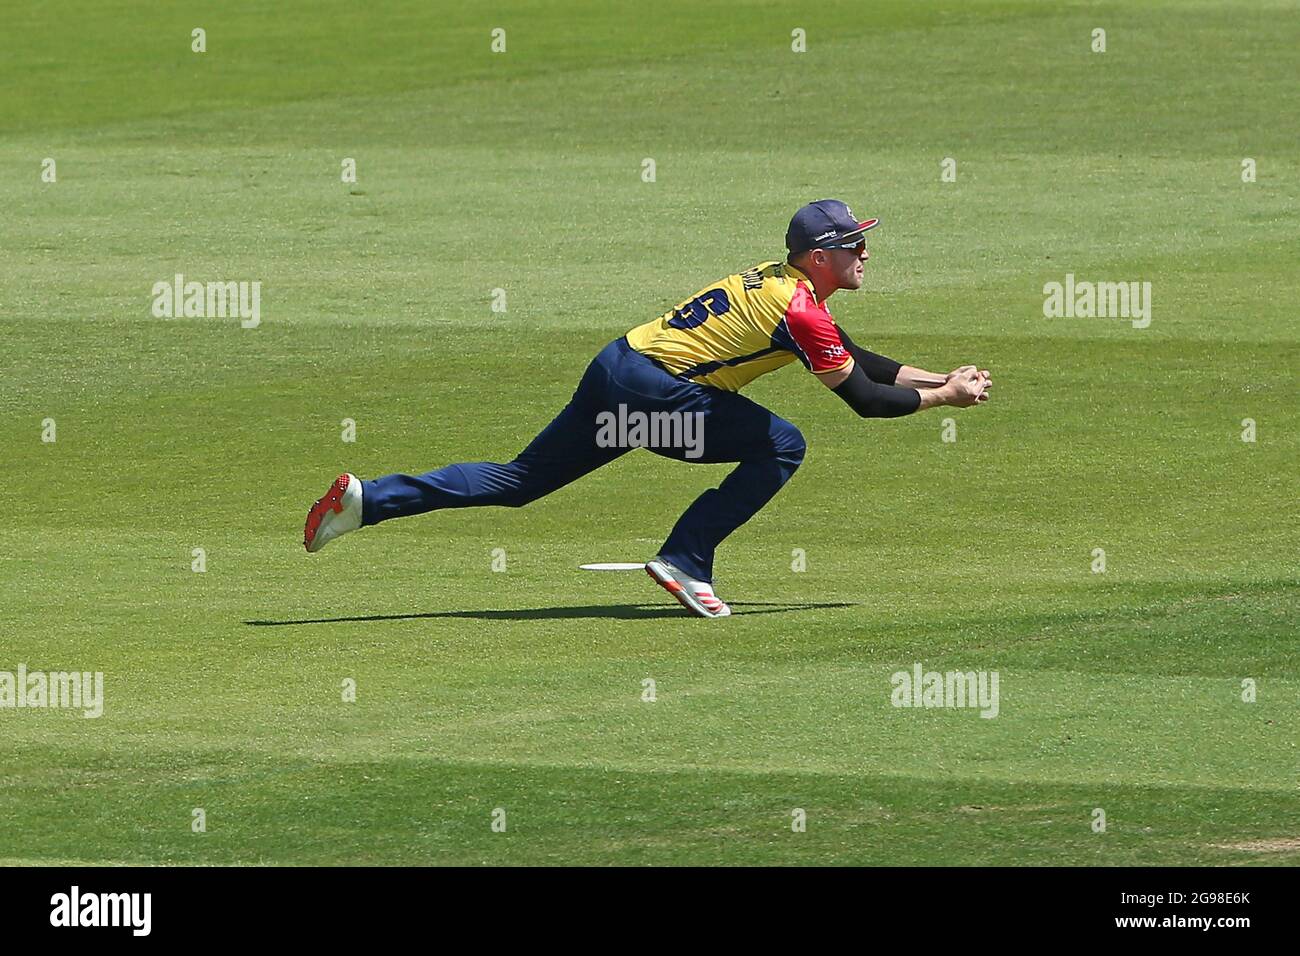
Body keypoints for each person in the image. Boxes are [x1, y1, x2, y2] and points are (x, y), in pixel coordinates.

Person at [303, 199, 991, 618]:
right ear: (818, 258)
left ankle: (367, 500)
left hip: (616, 367)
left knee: (521, 483)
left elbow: (853, 352)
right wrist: (945, 399)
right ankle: (686, 559)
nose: (865, 253)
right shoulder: (802, 311)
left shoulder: (780, 284)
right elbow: (866, 402)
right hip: (659, 393)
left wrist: (937, 373)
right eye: (852, 247)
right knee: (782, 444)